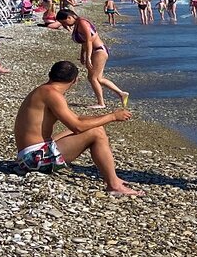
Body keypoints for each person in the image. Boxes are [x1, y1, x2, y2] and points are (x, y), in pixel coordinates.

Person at [13, 61, 140, 195]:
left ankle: (114, 180)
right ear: (74, 80)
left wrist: (107, 116)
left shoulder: (44, 90)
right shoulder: (53, 95)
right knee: (96, 132)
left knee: (94, 127)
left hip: (27, 156)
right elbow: (78, 126)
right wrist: (113, 117)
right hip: (34, 159)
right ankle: (113, 184)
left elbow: (77, 119)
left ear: (51, 75)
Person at [55, 9, 128, 109]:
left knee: (92, 78)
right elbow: (84, 42)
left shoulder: (82, 22)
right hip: (95, 51)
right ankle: (121, 93)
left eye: (64, 22)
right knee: (99, 78)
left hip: (98, 51)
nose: (64, 25)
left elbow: (89, 40)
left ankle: (101, 103)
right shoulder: (77, 23)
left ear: (70, 17)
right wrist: (82, 55)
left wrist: (88, 57)